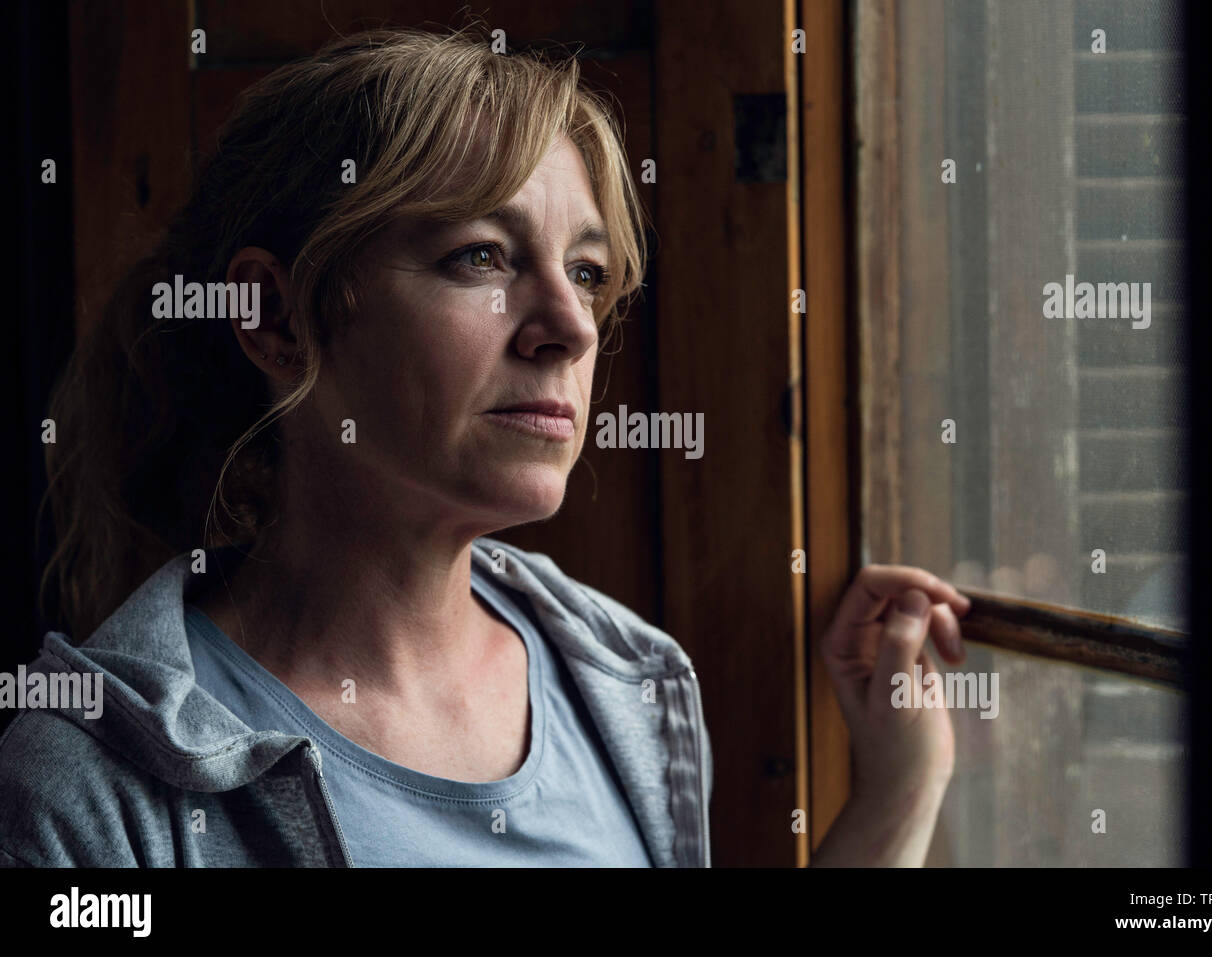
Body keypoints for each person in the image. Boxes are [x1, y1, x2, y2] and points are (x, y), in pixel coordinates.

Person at [0, 28, 970, 867]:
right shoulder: (88, 784)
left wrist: (900, 789)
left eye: (586, 272)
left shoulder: (625, 682)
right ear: (273, 317)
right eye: (481, 258)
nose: (571, 326)